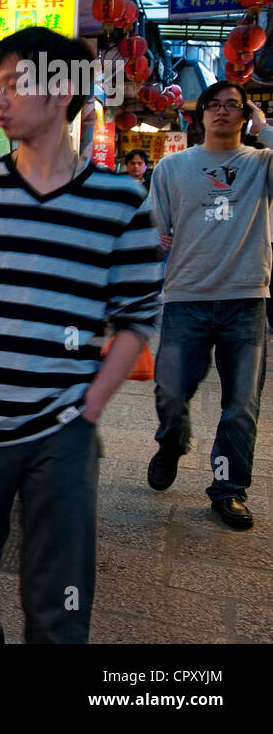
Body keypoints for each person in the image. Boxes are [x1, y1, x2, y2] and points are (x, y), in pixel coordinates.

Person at [0, 27, 163, 643]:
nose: (0, 100)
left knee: (59, 602)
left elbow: (137, 316)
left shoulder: (120, 199)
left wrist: (89, 407)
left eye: (16, 84)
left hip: (60, 435)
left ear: (63, 89)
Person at [145, 82, 272, 530]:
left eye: (232, 106)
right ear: (200, 116)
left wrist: (264, 126)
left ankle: (229, 489)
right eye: (214, 105)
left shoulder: (263, 164)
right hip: (186, 297)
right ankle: (171, 442)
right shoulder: (173, 168)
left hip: (246, 298)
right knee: (171, 393)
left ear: (244, 115)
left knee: (241, 404)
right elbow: (148, 227)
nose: (222, 112)